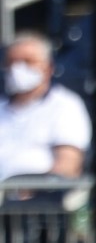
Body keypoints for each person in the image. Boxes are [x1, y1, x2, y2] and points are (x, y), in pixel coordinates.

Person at [0, 31, 91, 184]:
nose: (17, 69)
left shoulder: (65, 106)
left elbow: (68, 164)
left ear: (48, 68)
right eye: (12, 62)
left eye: (28, 62)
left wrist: (32, 192)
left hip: (38, 200)